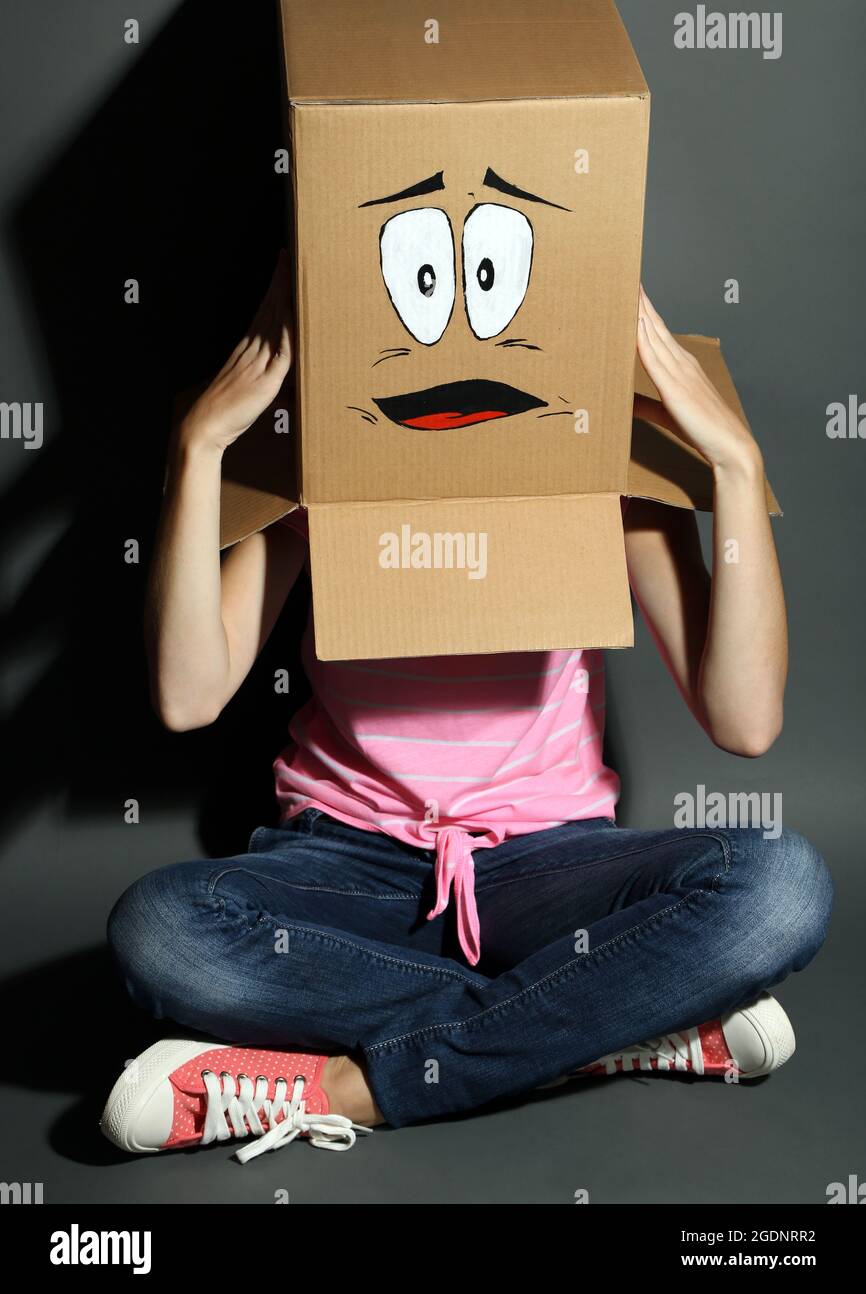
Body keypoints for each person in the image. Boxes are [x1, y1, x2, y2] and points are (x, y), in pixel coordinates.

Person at [100, 251, 833, 1163]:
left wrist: (733, 461)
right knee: (162, 930)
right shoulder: (322, 452)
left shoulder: (604, 463)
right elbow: (186, 694)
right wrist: (200, 448)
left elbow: (747, 720)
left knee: (779, 887)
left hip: (548, 862)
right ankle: (600, 1026)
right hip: (347, 863)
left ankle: (345, 1088)